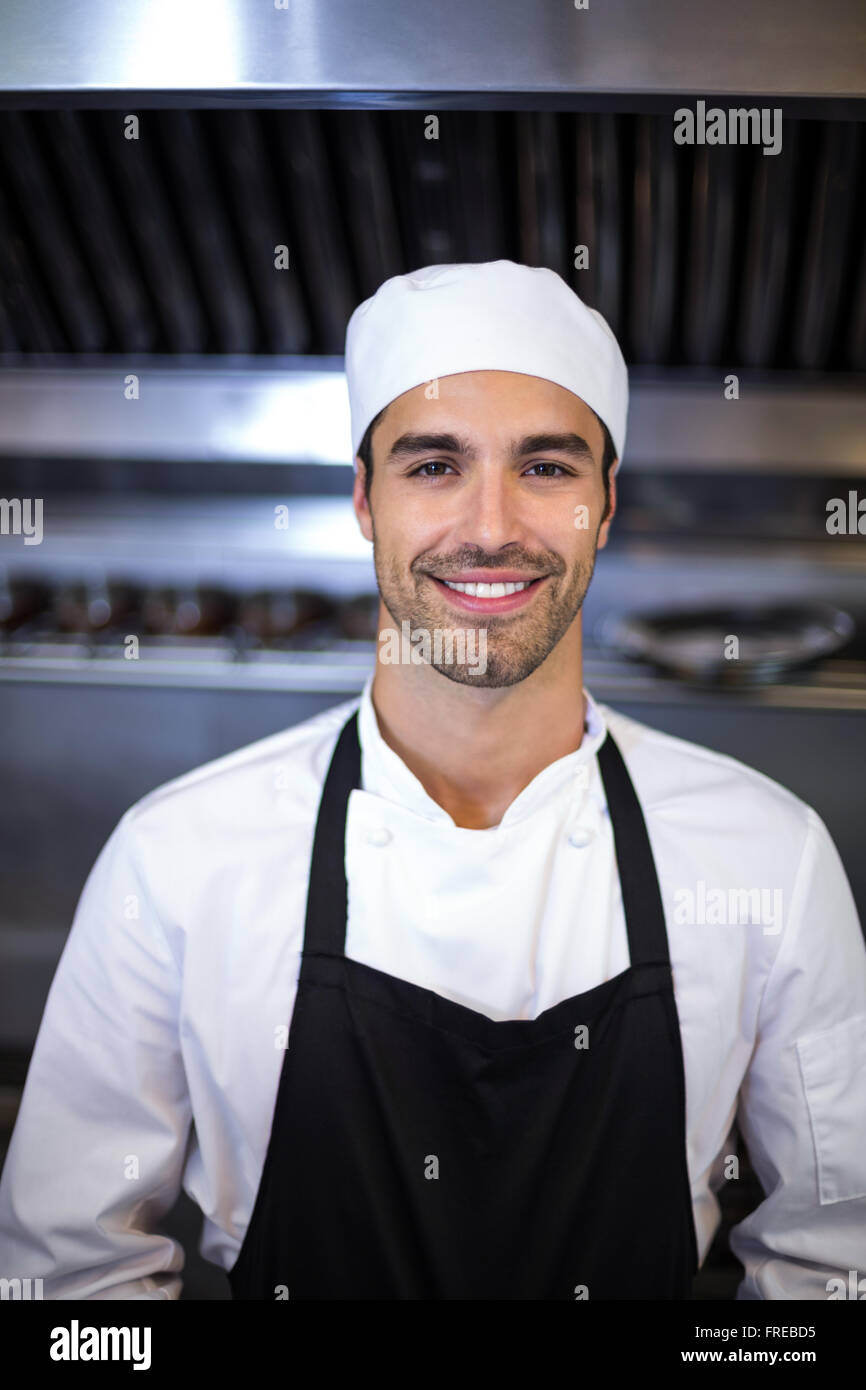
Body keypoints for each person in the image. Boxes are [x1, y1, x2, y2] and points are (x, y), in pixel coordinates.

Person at [1, 260, 864, 1300]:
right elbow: (66, 1289)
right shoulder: (177, 857)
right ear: (365, 501)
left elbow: (833, 1267)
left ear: (604, 504)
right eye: (432, 466)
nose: (490, 525)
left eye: (545, 467)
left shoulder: (765, 853)